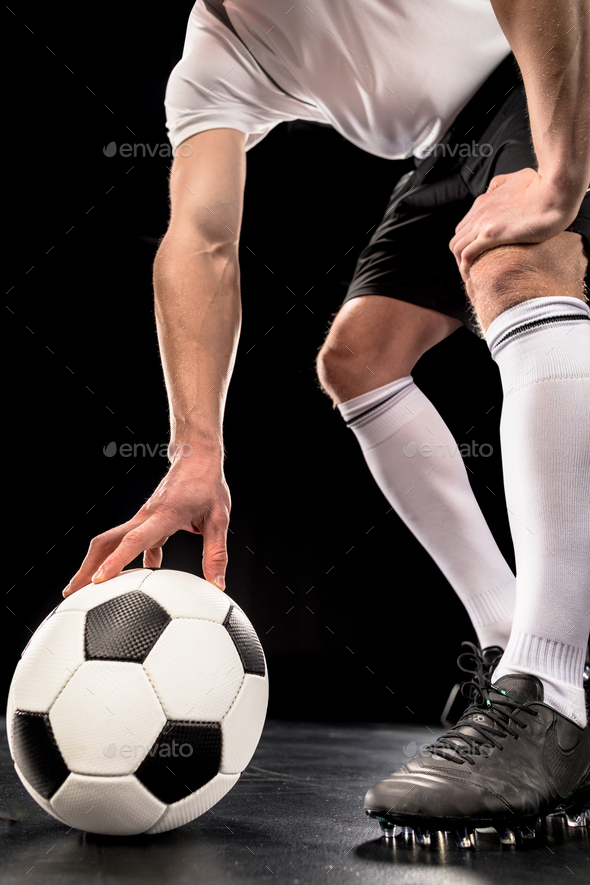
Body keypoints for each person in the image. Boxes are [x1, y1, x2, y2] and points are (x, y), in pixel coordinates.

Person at [63, 1, 590, 845]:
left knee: (515, 261)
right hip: (459, 134)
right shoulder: (217, 55)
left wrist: (562, 174)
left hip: (545, 60)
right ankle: (510, 650)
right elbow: (201, 238)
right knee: (359, 359)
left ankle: (553, 690)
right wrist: (195, 449)